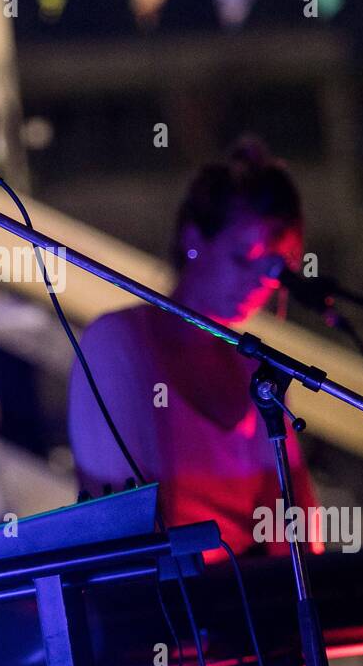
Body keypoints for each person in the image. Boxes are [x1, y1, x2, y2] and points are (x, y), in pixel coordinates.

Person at [68, 138, 322, 565]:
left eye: (273, 268)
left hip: (261, 614)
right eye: (245, 257)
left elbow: (297, 528)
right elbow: (122, 538)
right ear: (193, 238)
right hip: (176, 620)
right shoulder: (118, 345)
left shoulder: (255, 367)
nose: (260, 283)